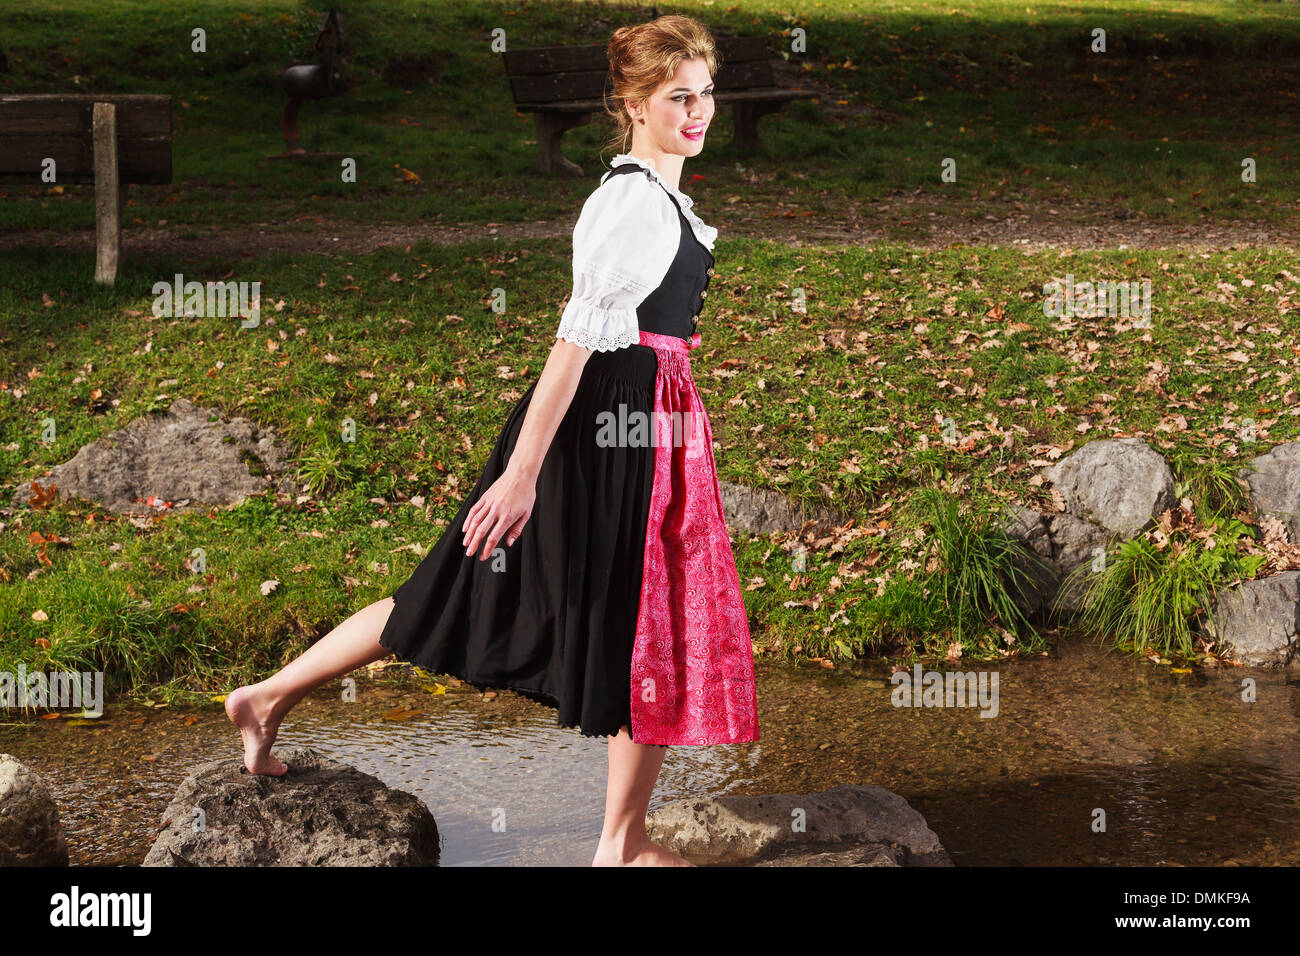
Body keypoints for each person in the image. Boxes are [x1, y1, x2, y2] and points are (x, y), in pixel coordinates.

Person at [225, 14, 759, 867]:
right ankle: (619, 847)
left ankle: (269, 697)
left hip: (641, 431)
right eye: (678, 98)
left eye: (705, 96)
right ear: (633, 103)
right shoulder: (630, 204)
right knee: (541, 607)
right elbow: (572, 346)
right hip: (594, 439)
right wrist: (520, 477)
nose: (698, 113)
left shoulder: (661, 197)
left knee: (615, 616)